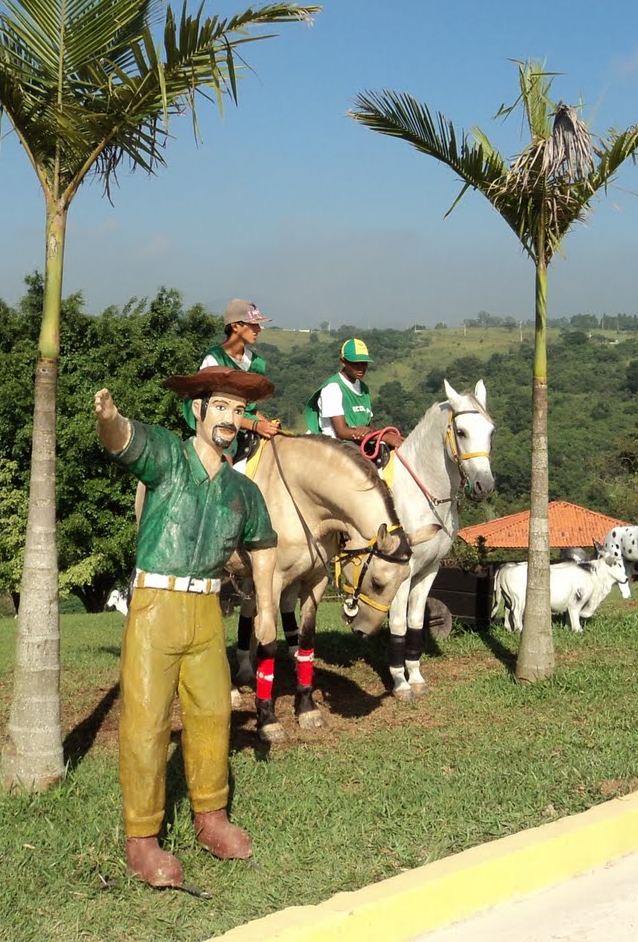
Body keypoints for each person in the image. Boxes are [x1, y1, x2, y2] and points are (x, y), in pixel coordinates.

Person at [95, 367, 278, 890]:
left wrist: (266, 608)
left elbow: (263, 544)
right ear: (196, 411)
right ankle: (142, 837)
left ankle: (210, 817)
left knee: (213, 712)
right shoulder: (168, 459)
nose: (229, 419)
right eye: (220, 406)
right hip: (155, 606)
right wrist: (109, 419)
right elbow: (125, 440)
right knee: (146, 719)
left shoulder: (242, 490)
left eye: (237, 410)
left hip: (206, 610)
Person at [180, 299, 282, 442]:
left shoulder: (256, 363)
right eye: (253, 324)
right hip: (217, 430)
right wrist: (255, 425)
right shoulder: (214, 359)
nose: (258, 329)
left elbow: (249, 408)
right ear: (235, 326)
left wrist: (267, 426)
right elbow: (211, 410)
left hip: (245, 427)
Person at [306, 338, 402, 452]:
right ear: (343, 362)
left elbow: (370, 425)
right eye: (355, 364)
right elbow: (341, 432)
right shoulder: (332, 388)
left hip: (359, 443)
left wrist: (377, 434)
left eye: (364, 363)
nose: (361, 368)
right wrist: (383, 437)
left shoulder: (363, 388)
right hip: (335, 447)